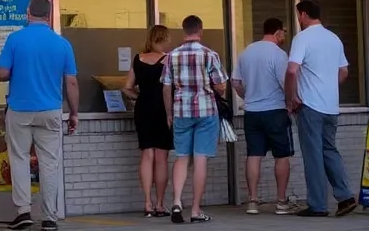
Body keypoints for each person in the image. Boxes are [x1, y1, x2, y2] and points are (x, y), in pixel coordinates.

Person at [0, 0, 79, 231]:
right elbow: (71, 83)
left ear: (28, 13)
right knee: (49, 163)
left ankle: (23, 212)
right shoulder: (62, 44)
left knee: (19, 159)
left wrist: (12, 71)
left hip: (20, 110)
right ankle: (50, 217)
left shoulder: (15, 39)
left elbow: (1, 73)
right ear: (49, 15)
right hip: (50, 110)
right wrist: (73, 113)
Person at [286, 0, 357, 218]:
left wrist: (291, 97)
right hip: (330, 106)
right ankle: (345, 197)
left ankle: (317, 205)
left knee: (313, 155)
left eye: (299, 16)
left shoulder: (303, 38)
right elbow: (343, 71)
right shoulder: (333, 38)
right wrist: (327, 86)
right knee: (329, 150)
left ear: (304, 15)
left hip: (309, 106)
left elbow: (291, 71)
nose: (298, 20)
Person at [161, 15, 227, 224]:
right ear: (200, 29)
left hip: (181, 111)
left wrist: (169, 113)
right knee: (200, 159)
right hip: (206, 112)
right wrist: (216, 89)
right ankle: (196, 210)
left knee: (181, 157)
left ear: (184, 30)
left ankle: (178, 202)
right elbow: (221, 85)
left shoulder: (171, 56)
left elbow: (166, 87)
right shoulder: (209, 55)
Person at [232, 17, 295, 215]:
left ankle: (252, 201)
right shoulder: (279, 54)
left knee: (254, 155)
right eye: (283, 32)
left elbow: (235, 81)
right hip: (275, 111)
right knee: (282, 156)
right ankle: (281, 201)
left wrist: (247, 95)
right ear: (277, 33)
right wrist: (290, 102)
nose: (284, 35)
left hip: (252, 112)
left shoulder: (247, 51)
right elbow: (286, 83)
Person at [122, 24, 173, 217]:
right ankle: (160, 204)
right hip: (162, 109)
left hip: (143, 109)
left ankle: (147, 203)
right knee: (161, 158)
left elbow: (126, 87)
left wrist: (139, 97)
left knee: (146, 155)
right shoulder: (168, 60)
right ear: (164, 38)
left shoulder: (137, 59)